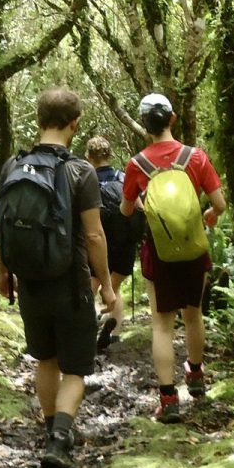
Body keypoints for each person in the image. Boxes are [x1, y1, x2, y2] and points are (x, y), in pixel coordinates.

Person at [0, 87, 114, 468]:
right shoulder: (81, 171)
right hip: (71, 282)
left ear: (39, 119)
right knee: (75, 369)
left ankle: (51, 431)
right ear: (75, 124)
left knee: (45, 359)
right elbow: (94, 236)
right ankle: (60, 439)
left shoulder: (13, 165)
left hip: (29, 282)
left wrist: (3, 274)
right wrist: (108, 288)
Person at [120, 93, 226, 423]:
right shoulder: (196, 158)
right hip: (194, 247)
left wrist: (144, 206)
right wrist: (209, 215)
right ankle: (195, 377)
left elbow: (125, 210)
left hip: (159, 251)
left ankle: (169, 400)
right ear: (172, 119)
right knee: (193, 316)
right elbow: (219, 204)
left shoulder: (138, 164)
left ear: (145, 126)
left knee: (162, 326)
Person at [85, 135, 137, 349]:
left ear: (89, 157)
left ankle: (90, 324)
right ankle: (114, 334)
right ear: (109, 155)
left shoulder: (87, 182)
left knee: (91, 288)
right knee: (114, 288)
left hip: (98, 244)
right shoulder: (124, 178)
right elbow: (140, 209)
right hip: (125, 244)